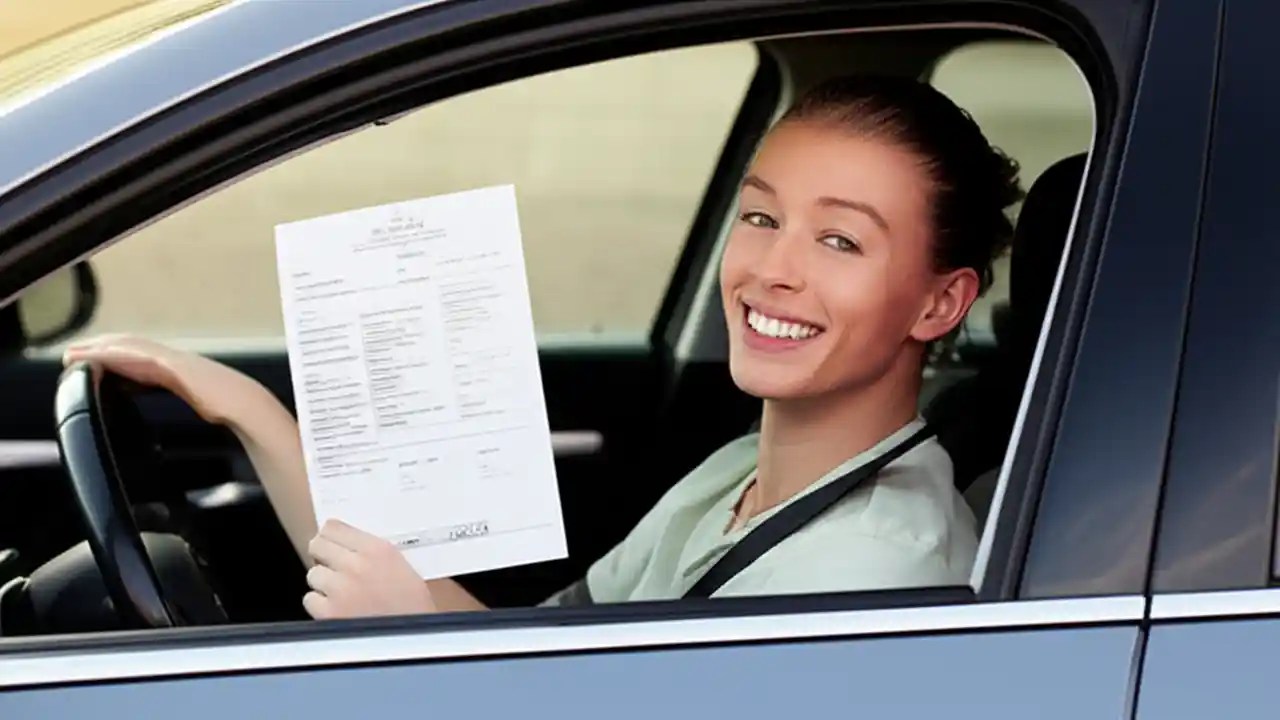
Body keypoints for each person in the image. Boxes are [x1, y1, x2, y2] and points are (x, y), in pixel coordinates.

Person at [63, 74, 1022, 619]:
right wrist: (249, 410)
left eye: (841, 240)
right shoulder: (745, 474)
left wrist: (414, 648)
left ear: (939, 304)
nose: (773, 268)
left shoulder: (867, 574)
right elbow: (537, 649)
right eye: (761, 216)